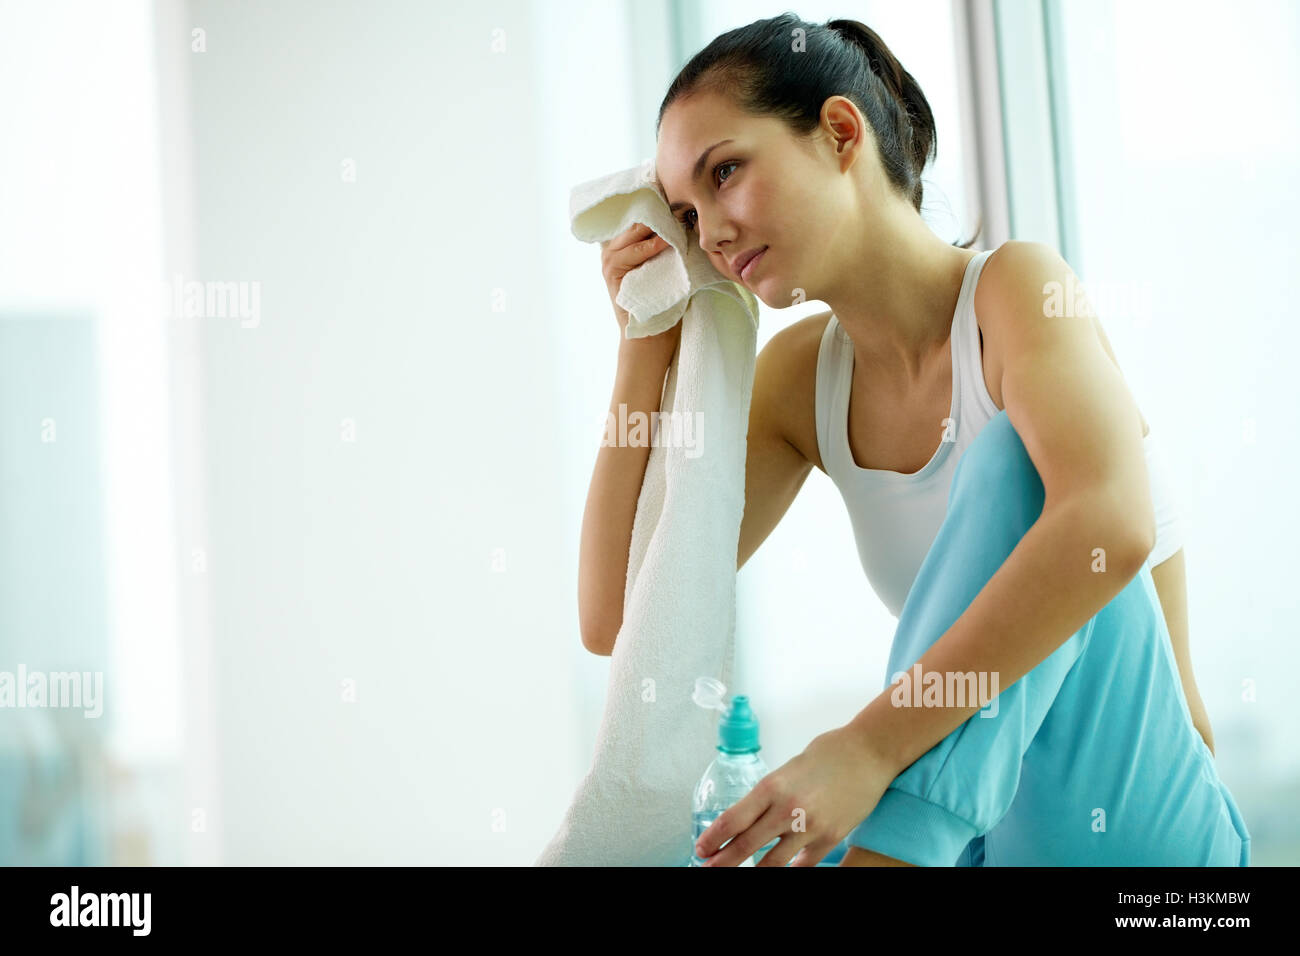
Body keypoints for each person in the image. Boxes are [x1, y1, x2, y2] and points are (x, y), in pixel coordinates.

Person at [578, 13, 1247, 866]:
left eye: (727, 172)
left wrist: (862, 748)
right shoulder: (800, 381)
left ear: (839, 132)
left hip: (1148, 847)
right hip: (981, 836)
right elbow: (619, 616)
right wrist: (643, 343)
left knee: (1011, 459)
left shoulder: (1019, 292)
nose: (708, 232)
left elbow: (1113, 527)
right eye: (684, 212)